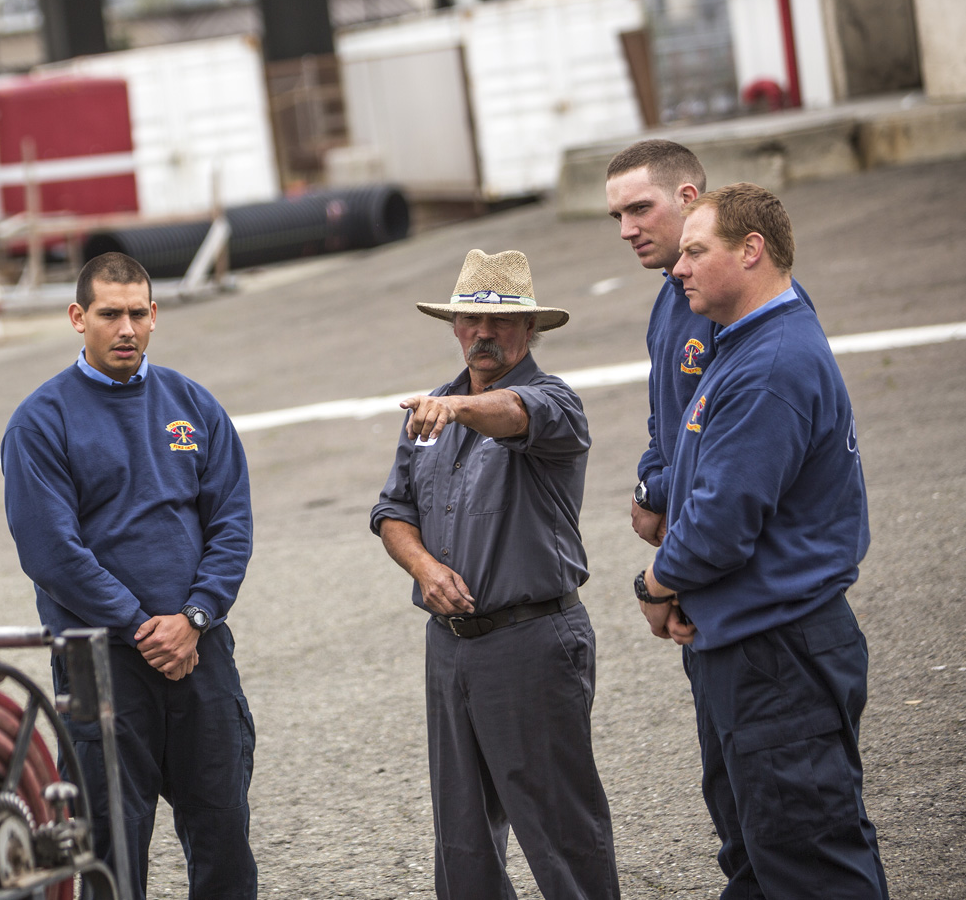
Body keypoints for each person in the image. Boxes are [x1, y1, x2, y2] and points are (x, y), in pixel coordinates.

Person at [635, 185, 886, 896]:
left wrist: (655, 582)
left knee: (808, 860)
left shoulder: (769, 363)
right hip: (746, 643)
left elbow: (720, 520)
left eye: (694, 250)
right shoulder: (742, 345)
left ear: (751, 250)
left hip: (776, 652)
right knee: (756, 855)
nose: (677, 268)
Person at [2, 252, 256, 900]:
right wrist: (141, 624)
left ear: (154, 316)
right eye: (109, 313)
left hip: (200, 651)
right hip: (101, 662)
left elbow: (230, 524)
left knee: (223, 828)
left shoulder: (192, 405)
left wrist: (196, 616)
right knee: (110, 848)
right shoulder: (41, 421)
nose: (125, 328)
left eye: (137, 313)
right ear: (76, 317)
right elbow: (51, 551)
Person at [370, 249, 619, 900]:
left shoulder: (551, 399)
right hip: (449, 644)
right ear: (453, 325)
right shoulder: (430, 409)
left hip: (530, 639)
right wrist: (423, 567)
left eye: (498, 323)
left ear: (529, 329)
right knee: (462, 839)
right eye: (468, 321)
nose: (481, 334)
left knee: (561, 831)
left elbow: (512, 413)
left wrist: (456, 409)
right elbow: (391, 512)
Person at [605, 140, 813, 549]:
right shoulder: (669, 297)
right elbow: (664, 418)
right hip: (695, 537)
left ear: (687, 199)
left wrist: (656, 495)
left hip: (747, 545)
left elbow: (733, 442)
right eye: (618, 215)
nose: (626, 230)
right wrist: (651, 479)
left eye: (640, 209)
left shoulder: (743, 302)